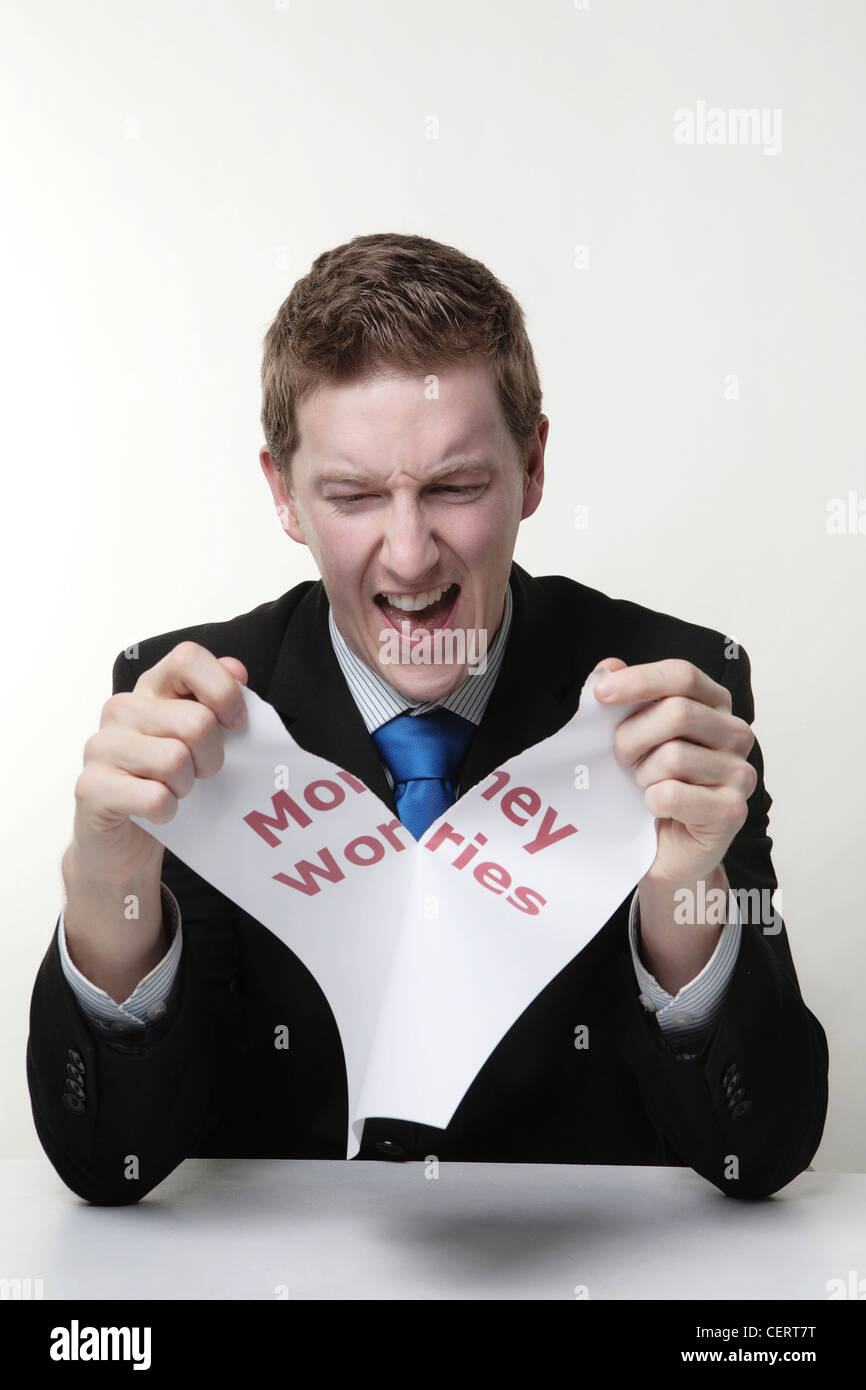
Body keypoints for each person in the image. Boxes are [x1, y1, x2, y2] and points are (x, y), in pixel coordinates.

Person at [27, 232, 828, 1205]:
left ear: (531, 467)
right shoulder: (192, 708)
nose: (408, 556)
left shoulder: (674, 695)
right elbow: (108, 1168)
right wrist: (111, 896)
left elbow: (760, 1152)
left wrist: (680, 899)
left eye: (454, 486)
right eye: (354, 494)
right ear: (284, 495)